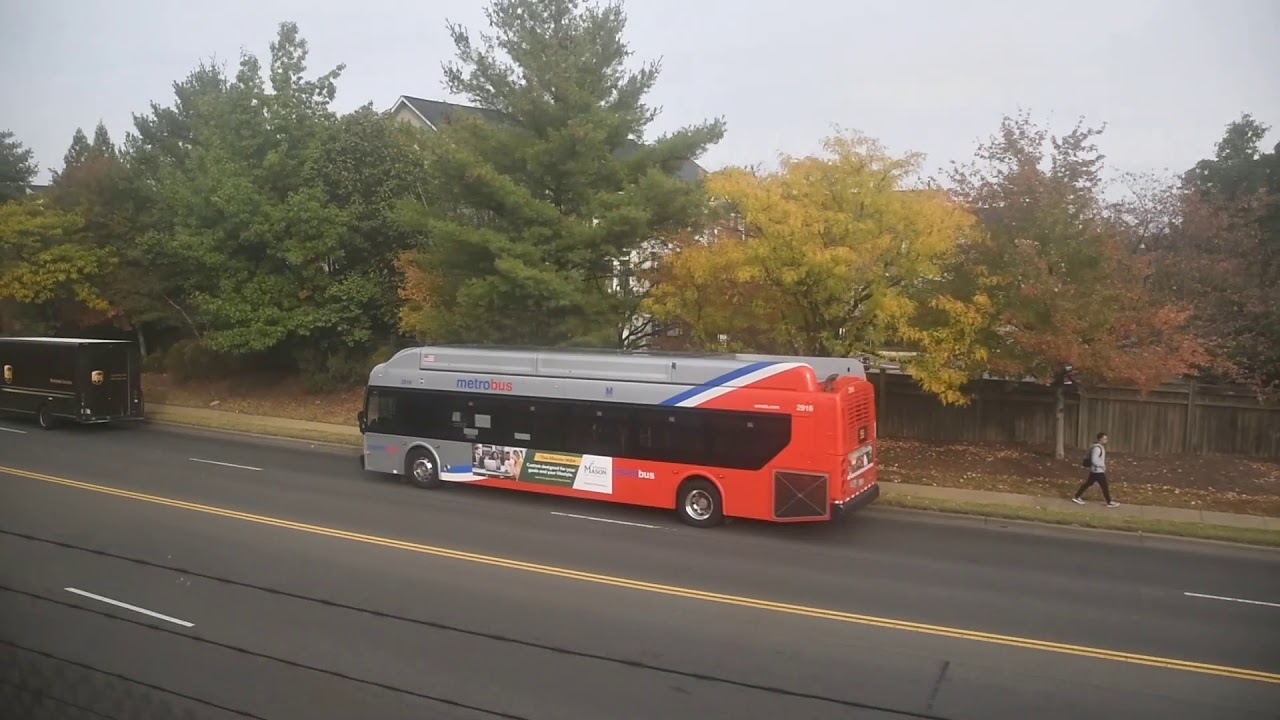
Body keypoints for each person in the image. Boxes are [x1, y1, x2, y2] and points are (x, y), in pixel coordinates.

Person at [1072, 432, 1118, 507]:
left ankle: (1076, 496)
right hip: (1097, 470)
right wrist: (1101, 466)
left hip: (1095, 470)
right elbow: (1094, 460)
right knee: (1104, 486)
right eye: (1105, 438)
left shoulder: (1099, 447)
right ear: (1100, 439)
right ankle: (1109, 502)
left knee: (1088, 483)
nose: (1106, 440)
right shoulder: (1097, 448)